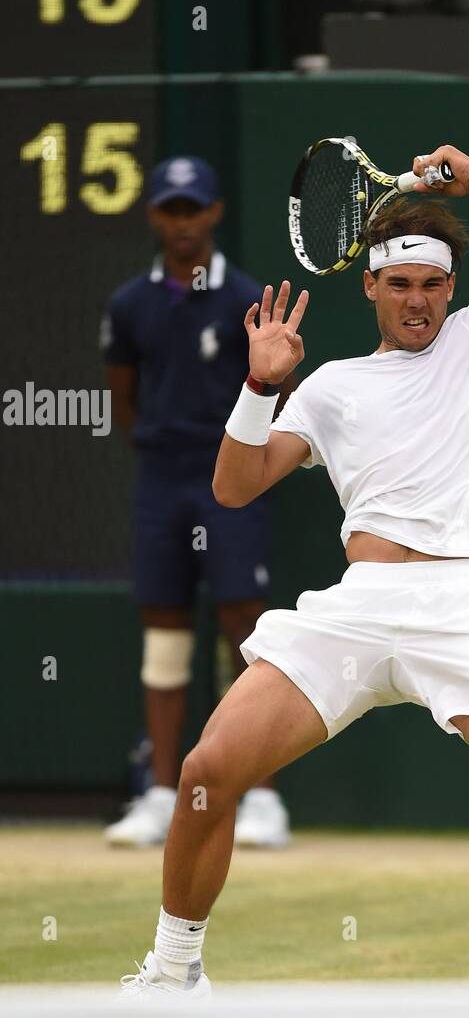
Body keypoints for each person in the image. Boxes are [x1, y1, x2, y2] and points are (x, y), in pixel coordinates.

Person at [84, 145, 469, 1018]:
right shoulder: (330, 388)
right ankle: (174, 975)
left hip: (467, 605)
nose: (415, 303)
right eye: (397, 285)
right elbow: (235, 490)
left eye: (429, 288)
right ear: (371, 287)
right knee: (205, 771)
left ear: (451, 289)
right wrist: (258, 384)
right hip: (357, 609)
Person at [102, 156, 291, 851]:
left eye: (194, 208)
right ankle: (157, 793)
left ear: (213, 214)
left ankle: (262, 799)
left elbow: (277, 399)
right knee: (165, 628)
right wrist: (159, 448)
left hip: (229, 481)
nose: (182, 221)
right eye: (170, 209)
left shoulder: (245, 298)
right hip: (161, 479)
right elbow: (124, 395)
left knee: (246, 622)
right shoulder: (130, 304)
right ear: (155, 215)